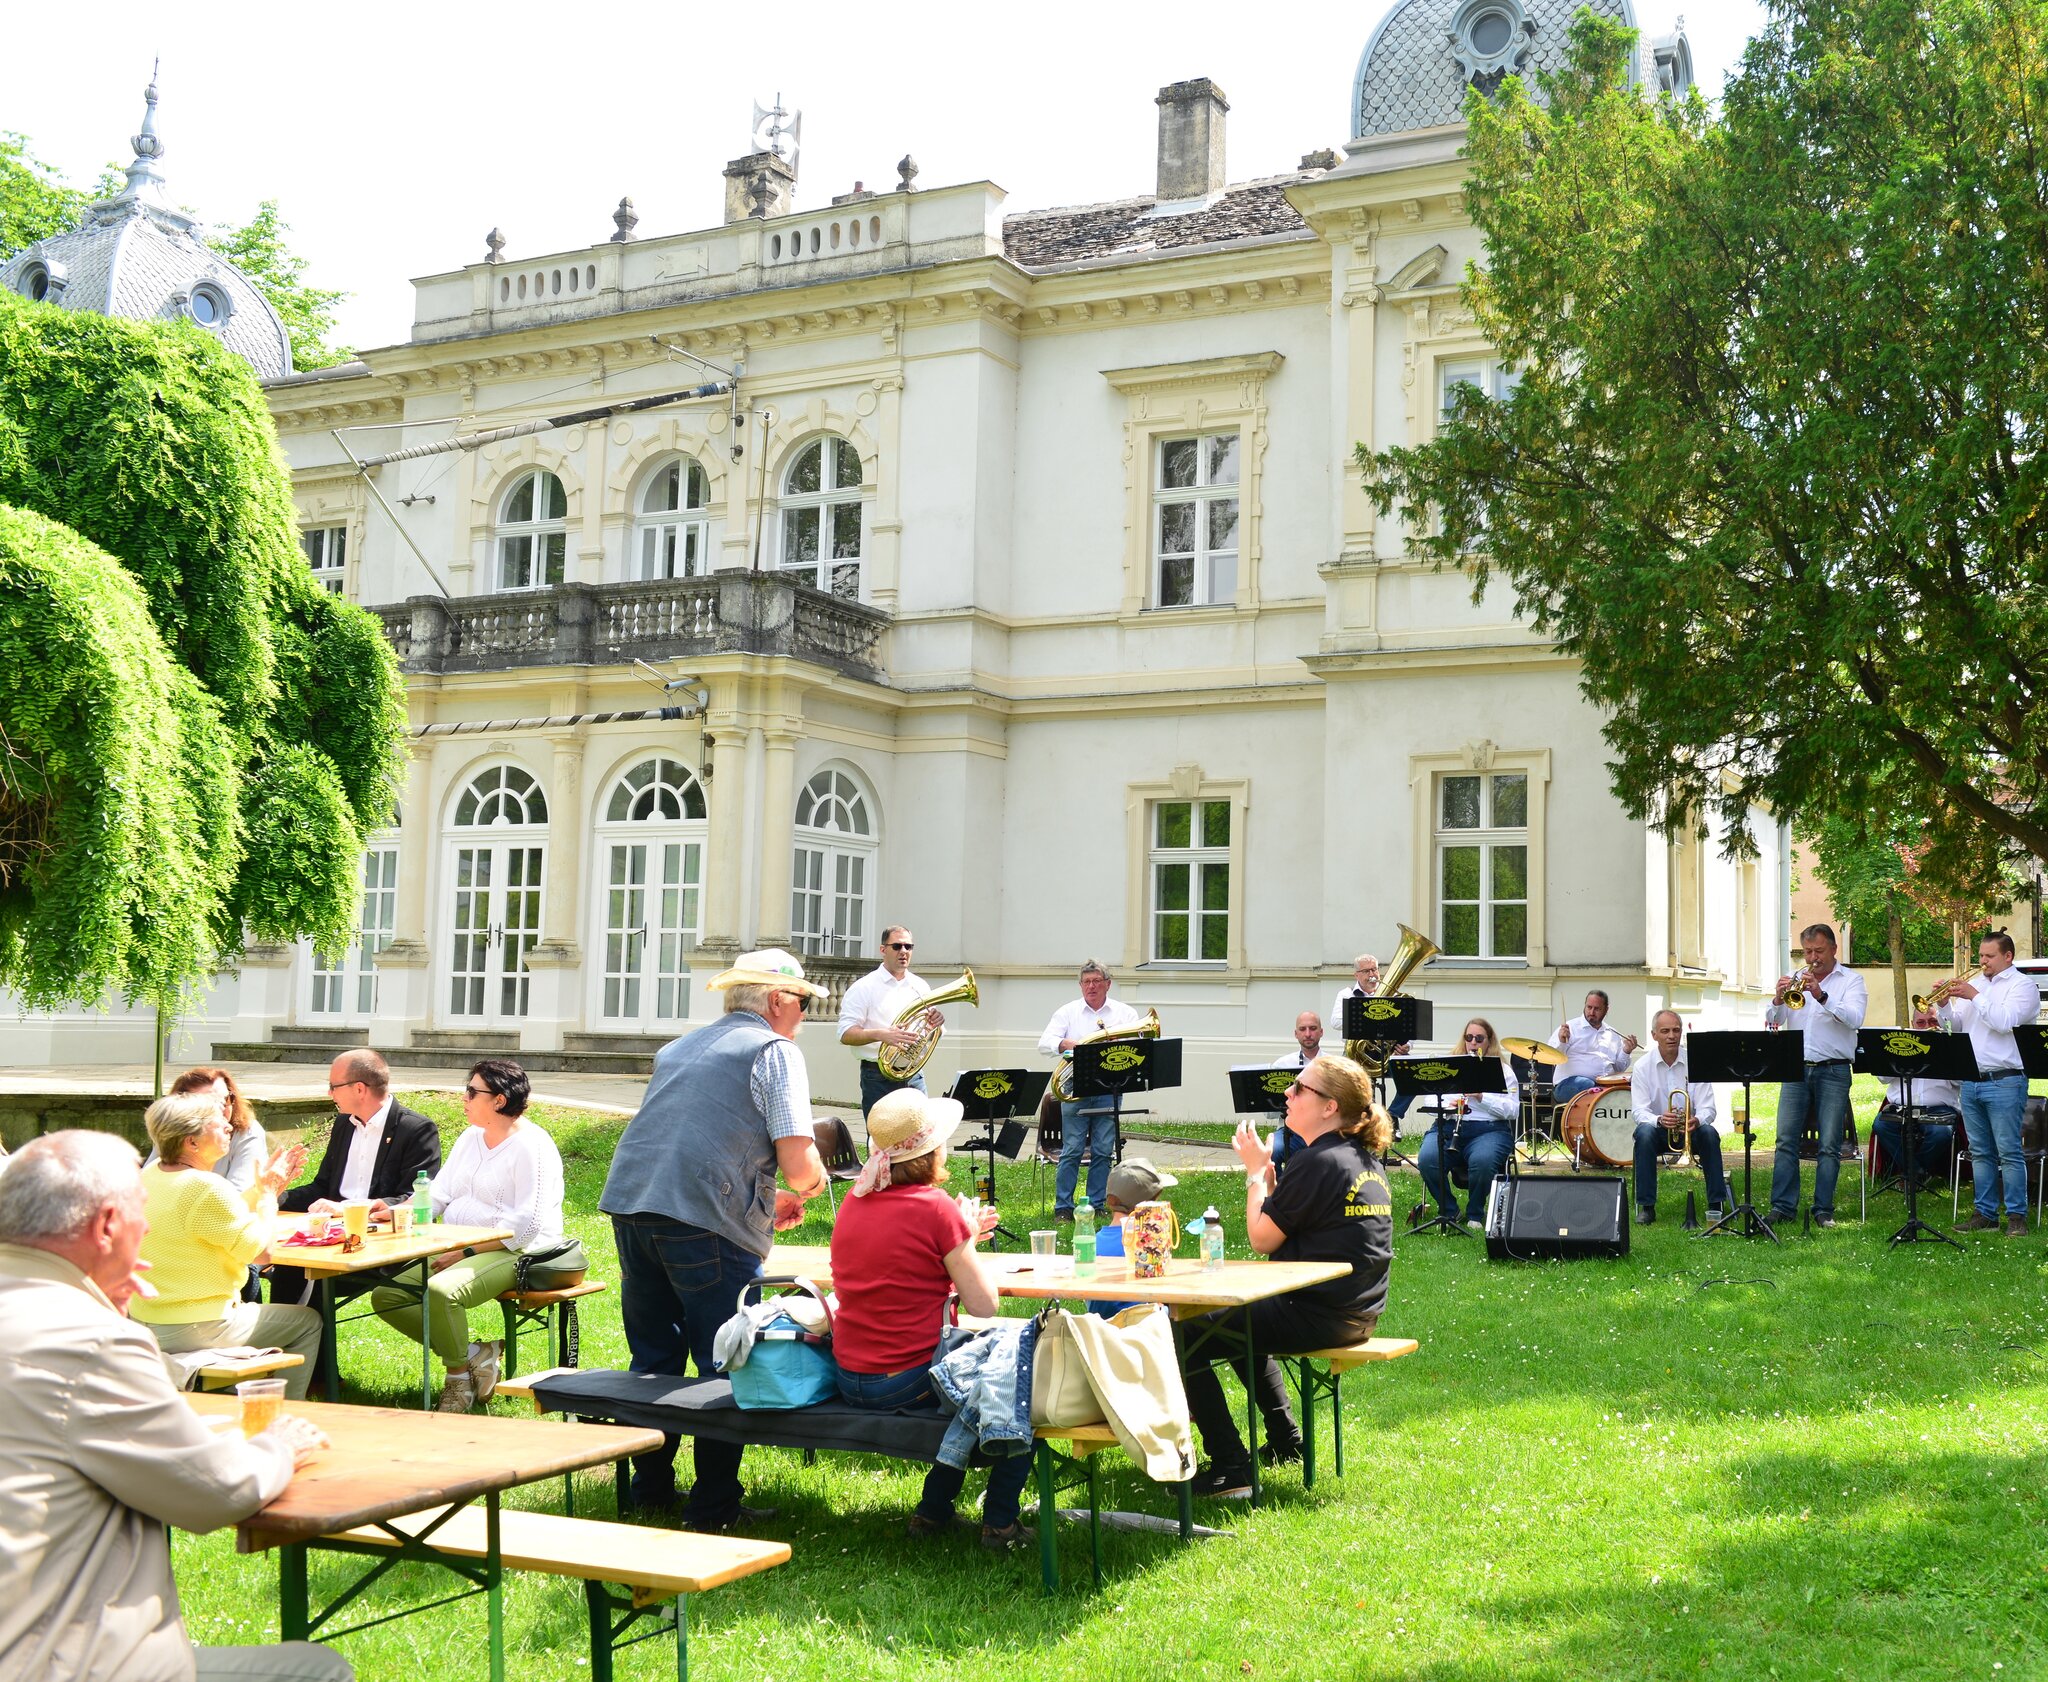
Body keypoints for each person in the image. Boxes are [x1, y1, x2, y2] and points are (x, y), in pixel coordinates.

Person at [0, 1131, 350, 1682]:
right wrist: (276, 1446)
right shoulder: (94, 1341)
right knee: (315, 1668)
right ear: (109, 1226)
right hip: (61, 1660)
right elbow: (213, 1493)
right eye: (144, 1217)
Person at [599, 949, 831, 1529]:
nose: (803, 1014)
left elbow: (694, 1135)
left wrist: (760, 1193)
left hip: (633, 1206)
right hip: (700, 1220)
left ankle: (648, 1492)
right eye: (801, 1001)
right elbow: (800, 1162)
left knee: (653, 1360)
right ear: (777, 1000)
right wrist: (812, 1183)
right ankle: (713, 1510)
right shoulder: (776, 1050)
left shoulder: (678, 1046)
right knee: (724, 1359)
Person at [826, 1088, 1032, 1549]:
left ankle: (934, 1510)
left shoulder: (855, 1202)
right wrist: (967, 1236)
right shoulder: (936, 1207)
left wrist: (961, 1234)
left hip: (849, 1374)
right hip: (902, 1379)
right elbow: (984, 1306)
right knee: (1019, 1374)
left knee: (994, 1373)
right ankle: (999, 1521)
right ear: (932, 1151)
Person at [1182, 1054, 1392, 1498]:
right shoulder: (1359, 1158)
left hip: (1318, 1311)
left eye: (1299, 1089)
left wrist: (1256, 1174)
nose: (1288, 1094)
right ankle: (1284, 1440)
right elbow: (1296, 1227)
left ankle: (1230, 1466)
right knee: (1233, 1320)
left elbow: (1262, 1238)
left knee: (1183, 1331)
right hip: (1356, 1311)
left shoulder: (1320, 1160)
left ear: (1329, 1106)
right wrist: (1274, 1186)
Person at [370, 1059, 566, 1412]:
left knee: (441, 1292)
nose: (464, 1097)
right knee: (388, 1295)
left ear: (500, 1100)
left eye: (473, 1091)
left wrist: (467, 1253)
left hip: (518, 1251)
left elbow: (528, 1225)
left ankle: (458, 1381)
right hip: (462, 1246)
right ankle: (476, 1355)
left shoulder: (532, 1146)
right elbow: (439, 1194)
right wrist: (395, 1213)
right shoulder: (470, 1137)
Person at [129, 1094, 323, 1399]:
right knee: (307, 1322)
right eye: (218, 1125)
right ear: (192, 1143)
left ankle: (242, 1392)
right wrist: (269, 1197)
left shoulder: (148, 1176)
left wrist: (261, 1191)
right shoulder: (205, 1187)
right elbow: (262, 1251)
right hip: (197, 1325)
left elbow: (215, 1220)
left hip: (146, 1320)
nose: (229, 1128)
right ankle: (281, 1413)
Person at [271, 1050, 442, 1308]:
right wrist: (275, 1196)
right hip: (334, 1234)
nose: (330, 1094)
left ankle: (304, 1343)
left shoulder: (415, 1130)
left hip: (383, 1242)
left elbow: (413, 1200)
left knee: (308, 1266)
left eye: (333, 1086)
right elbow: (323, 1188)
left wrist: (350, 1209)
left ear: (359, 1089)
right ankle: (283, 1343)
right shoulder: (344, 1125)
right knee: (287, 1260)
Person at [1764, 923, 1867, 1229]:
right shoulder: (1796, 978)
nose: (1812, 957)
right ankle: (1782, 1207)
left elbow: (1854, 1019)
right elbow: (1773, 1022)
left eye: (1818, 951)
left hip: (1834, 1069)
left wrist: (1822, 996)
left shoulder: (1852, 981)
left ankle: (1823, 1209)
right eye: (1807, 951)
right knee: (1785, 1140)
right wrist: (1778, 998)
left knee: (1830, 1143)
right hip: (1795, 1068)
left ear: (1834, 949)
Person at [1941, 930, 2043, 1236]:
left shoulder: (2023, 987)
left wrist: (1974, 996)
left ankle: (2016, 1217)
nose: (1982, 961)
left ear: (2007, 956)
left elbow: (2004, 1022)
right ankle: (1985, 1214)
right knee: (1980, 1151)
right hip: (1972, 1079)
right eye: (1981, 956)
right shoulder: (1978, 986)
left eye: (1989, 956)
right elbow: (1954, 1029)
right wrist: (1944, 1006)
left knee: (2009, 1151)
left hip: (2005, 1080)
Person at [1038, 960, 1141, 1221]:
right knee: (1072, 1148)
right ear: (1081, 985)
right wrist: (1065, 1043)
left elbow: (1141, 1042)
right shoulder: (1068, 1012)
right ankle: (1063, 1206)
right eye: (1087, 982)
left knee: (1104, 1150)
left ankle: (1096, 1203)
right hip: (1075, 1085)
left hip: (1109, 1085)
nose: (1091, 986)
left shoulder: (1124, 1013)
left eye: (1097, 981)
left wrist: (1124, 1042)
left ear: (1108, 984)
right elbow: (1044, 1042)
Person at [1416, 1019, 1521, 1229]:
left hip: (1489, 1130)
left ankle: (1475, 1213)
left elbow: (1513, 1110)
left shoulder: (1503, 1071)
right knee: (1427, 1159)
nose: (1473, 1042)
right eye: (1469, 1038)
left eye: (1479, 1038)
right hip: (1449, 1126)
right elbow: (1429, 1098)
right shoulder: (1450, 1065)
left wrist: (1482, 1097)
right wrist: (1448, 1103)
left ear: (1489, 1042)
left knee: (1483, 1161)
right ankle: (1449, 1211)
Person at [1628, 1010, 1731, 1225]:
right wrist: (1659, 1119)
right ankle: (1647, 1207)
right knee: (1644, 1133)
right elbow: (1639, 1111)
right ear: (1654, 1035)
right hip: (1658, 1130)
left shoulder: (1696, 1061)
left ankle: (1716, 1205)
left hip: (1690, 1130)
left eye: (1676, 1030)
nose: (1671, 1036)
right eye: (1665, 1031)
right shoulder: (1642, 1067)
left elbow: (1708, 1108)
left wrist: (1697, 1120)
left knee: (1710, 1133)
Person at [837, 924, 940, 1117]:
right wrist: (882, 1035)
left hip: (913, 1073)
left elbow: (930, 1034)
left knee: (921, 1137)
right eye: (897, 946)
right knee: (881, 1141)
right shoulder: (864, 987)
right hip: (877, 1075)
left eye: (908, 947)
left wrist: (936, 1024)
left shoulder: (920, 986)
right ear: (883, 950)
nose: (903, 951)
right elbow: (845, 1034)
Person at [1871, 1003, 1960, 1193]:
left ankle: (1911, 1173)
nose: (1927, 1025)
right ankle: (1918, 1172)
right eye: (1921, 1022)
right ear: (1912, 1023)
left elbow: (1961, 1081)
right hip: (1901, 1106)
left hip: (1939, 1108)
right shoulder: (1900, 1042)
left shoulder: (1950, 1044)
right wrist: (1898, 1057)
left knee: (1941, 1134)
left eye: (1932, 1021)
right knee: (1881, 1125)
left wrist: (1942, 1056)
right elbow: (1883, 1079)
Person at [144, 1068, 268, 1190]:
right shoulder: (175, 1131)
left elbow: (240, 1192)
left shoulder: (248, 1131)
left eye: (226, 1099)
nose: (223, 1109)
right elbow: (149, 1181)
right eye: (210, 1103)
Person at [1090, 1156, 1178, 1320]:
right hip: (1146, 1326)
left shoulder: (1092, 1243)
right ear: (1151, 1206)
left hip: (1101, 1329)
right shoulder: (1149, 1241)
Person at [1551, 990, 1638, 1104]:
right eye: (1589, 1007)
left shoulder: (1612, 1033)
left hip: (1604, 1085)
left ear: (1606, 1010)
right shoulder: (1569, 1028)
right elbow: (1552, 1058)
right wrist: (1562, 1041)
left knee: (1635, 1084)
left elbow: (1618, 1069)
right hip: (1569, 1085)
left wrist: (1626, 1051)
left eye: (1597, 1009)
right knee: (1588, 1085)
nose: (1591, 1012)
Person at [1329, 954, 1381, 1049]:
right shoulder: (1346, 994)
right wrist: (1368, 1016)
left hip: (1384, 1051)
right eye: (1366, 971)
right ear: (1356, 975)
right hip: (1356, 1052)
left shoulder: (1391, 994)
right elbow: (1335, 1022)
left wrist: (1408, 1045)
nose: (1371, 975)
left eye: (1374, 969)